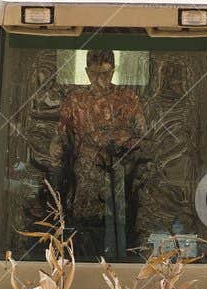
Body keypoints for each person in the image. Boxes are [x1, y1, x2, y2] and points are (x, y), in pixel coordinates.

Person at [45, 48, 148, 259]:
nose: (100, 79)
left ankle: (121, 259)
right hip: (86, 173)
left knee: (122, 220)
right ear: (86, 71)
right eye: (94, 73)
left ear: (113, 71)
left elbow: (142, 136)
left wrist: (121, 147)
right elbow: (61, 135)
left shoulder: (128, 98)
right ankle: (86, 261)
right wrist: (55, 155)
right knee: (86, 224)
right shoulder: (75, 100)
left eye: (105, 73)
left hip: (120, 169)